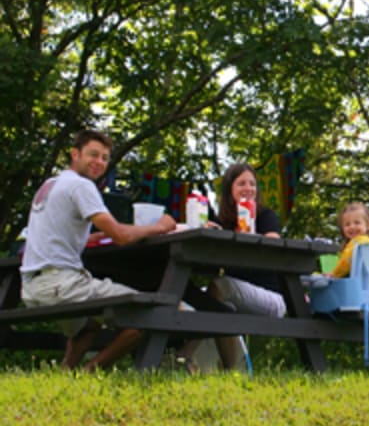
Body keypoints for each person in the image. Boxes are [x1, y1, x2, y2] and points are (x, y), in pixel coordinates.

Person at [20, 129, 177, 370]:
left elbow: (61, 232)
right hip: (61, 284)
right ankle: (90, 371)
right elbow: (123, 237)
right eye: (93, 154)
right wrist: (159, 227)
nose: (99, 162)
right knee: (148, 313)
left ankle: (67, 371)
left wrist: (98, 235)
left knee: (90, 325)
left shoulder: (51, 185)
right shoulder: (81, 186)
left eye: (104, 158)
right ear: (75, 154)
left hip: (32, 287)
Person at [178, 162, 286, 370]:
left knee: (220, 287)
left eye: (252, 184)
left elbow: (273, 245)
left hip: (270, 297)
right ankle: (196, 363)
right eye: (241, 184)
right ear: (230, 190)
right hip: (235, 296)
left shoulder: (265, 216)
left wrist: (247, 237)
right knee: (191, 298)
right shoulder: (225, 222)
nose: (248, 188)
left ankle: (193, 357)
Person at [326, 202, 369, 278]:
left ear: (368, 225)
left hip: (356, 286)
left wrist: (334, 274)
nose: (352, 227)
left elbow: (346, 261)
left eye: (357, 223)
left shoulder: (359, 242)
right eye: (347, 224)